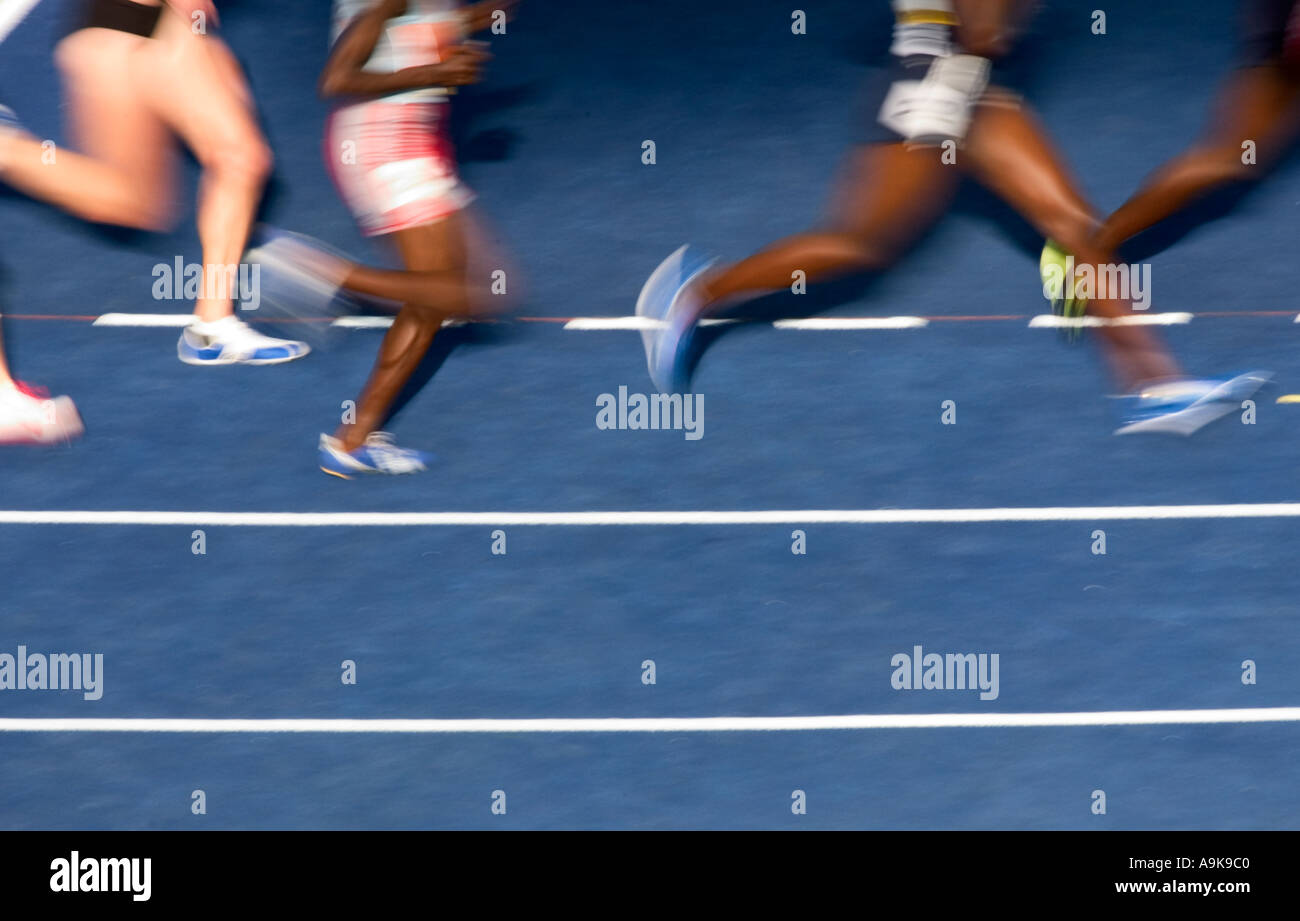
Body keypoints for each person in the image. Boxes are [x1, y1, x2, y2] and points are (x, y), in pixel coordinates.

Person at [637, 0, 1268, 435]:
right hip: (930, 89)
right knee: (858, 246)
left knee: (1073, 225)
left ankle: (1153, 385)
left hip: (968, 87)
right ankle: (696, 292)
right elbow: (987, 32)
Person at [0, 0, 309, 365]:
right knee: (128, 202)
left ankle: (213, 327)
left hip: (173, 24)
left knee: (241, 158)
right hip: (118, 17)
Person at [307, 0, 517, 477]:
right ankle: (327, 275)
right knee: (465, 294)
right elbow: (336, 79)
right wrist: (435, 71)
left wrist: (472, 20)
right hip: (390, 155)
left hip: (412, 150)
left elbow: (417, 24)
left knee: (442, 299)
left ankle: (352, 440)